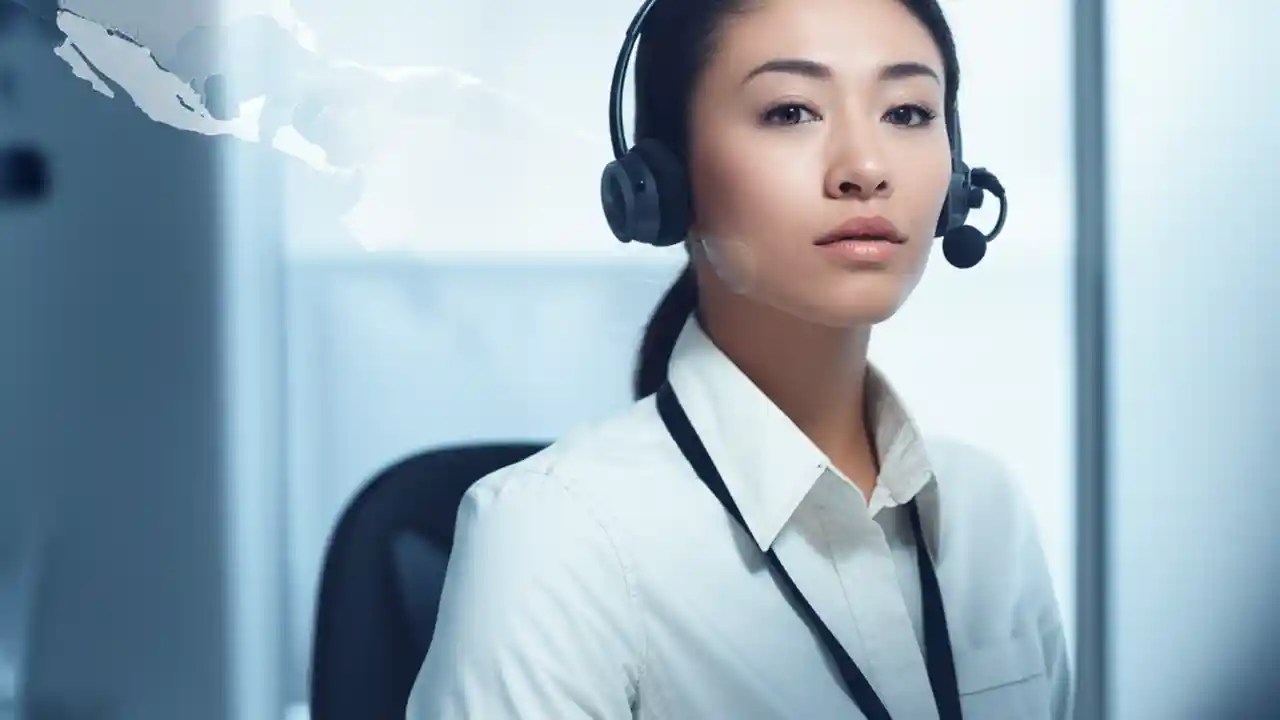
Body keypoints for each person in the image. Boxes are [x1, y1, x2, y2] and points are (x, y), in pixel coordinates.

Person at [412, 0, 1072, 717]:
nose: (865, 167)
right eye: (791, 111)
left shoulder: (986, 510)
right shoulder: (556, 537)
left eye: (907, 113)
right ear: (662, 181)